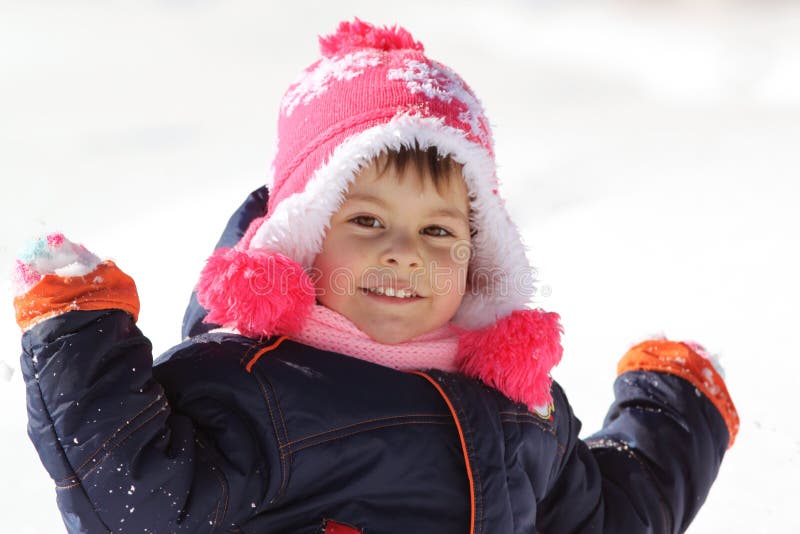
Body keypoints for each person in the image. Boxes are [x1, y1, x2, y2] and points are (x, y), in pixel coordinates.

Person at [12, 19, 738, 534]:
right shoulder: (249, 386)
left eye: (439, 231)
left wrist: (675, 410)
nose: (404, 253)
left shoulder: (522, 409)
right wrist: (78, 328)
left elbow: (609, 517)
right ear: (303, 233)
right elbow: (135, 501)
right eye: (366, 222)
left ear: (482, 253)